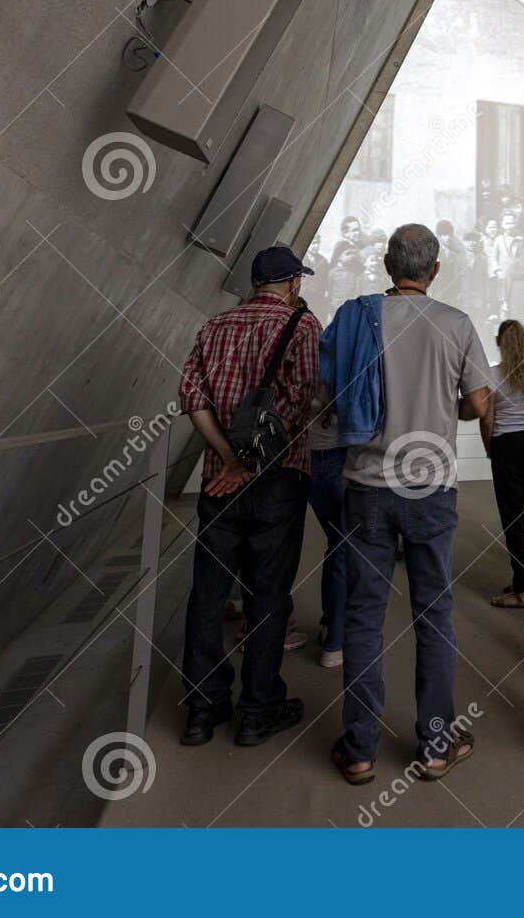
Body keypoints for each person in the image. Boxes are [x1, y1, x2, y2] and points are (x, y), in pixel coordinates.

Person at [332, 224, 493, 784]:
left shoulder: (357, 318)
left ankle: (359, 750)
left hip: (367, 487)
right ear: (436, 269)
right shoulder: (456, 325)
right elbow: (477, 403)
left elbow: (327, 393)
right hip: (430, 489)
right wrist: (449, 408)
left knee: (363, 617)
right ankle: (434, 746)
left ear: (385, 265)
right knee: (434, 615)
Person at [176, 246, 320, 748]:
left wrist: (230, 460)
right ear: (294, 284)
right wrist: (257, 466)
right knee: (268, 596)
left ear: (255, 283)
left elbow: (191, 398)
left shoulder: (213, 327)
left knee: (209, 595)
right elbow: (302, 403)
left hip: (220, 480)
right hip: (280, 480)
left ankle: (202, 709)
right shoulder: (302, 327)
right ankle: (257, 710)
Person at [482, 319, 524, 609]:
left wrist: (490, 449)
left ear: (498, 342)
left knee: (513, 517)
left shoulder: (492, 375)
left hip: (507, 446)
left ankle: (523, 590)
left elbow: (487, 418)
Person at [306, 392, 346, 669]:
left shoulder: (293, 351)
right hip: (340, 453)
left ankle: (330, 622)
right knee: (345, 547)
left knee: (337, 543)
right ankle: (336, 639)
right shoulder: (349, 352)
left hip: (304, 455)